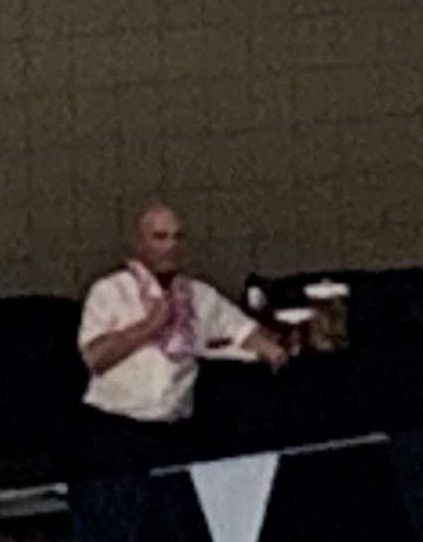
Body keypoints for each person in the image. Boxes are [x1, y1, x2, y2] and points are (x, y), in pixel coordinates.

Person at [77, 202, 281, 476]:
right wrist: (149, 326)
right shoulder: (109, 291)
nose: (171, 245)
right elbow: (95, 358)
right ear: (138, 243)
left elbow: (244, 331)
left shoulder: (199, 296)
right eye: (160, 237)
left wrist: (270, 348)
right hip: (116, 432)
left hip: (174, 435)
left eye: (177, 237)